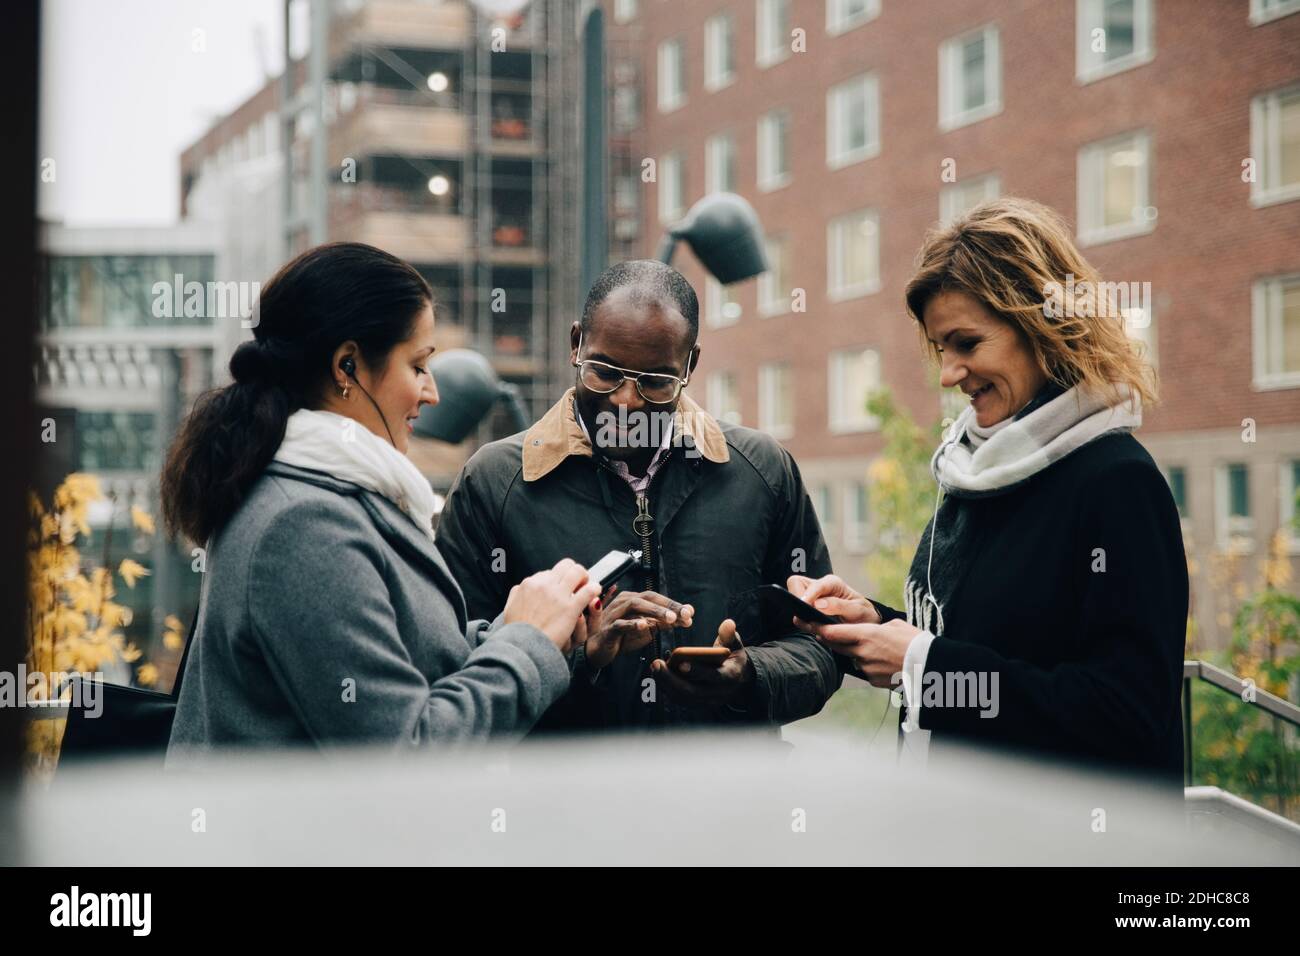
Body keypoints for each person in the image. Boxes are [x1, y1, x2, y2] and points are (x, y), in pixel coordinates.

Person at [789, 198, 1187, 779]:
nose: (948, 373)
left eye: (967, 344)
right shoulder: (980, 467)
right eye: (941, 349)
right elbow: (988, 639)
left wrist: (924, 668)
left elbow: (1127, 713)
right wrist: (874, 624)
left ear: (1042, 325)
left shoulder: (1117, 483)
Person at [163, 242, 601, 766]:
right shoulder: (303, 526)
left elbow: (400, 659)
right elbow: (403, 757)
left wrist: (527, 630)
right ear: (347, 366)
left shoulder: (326, 494)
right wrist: (528, 641)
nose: (432, 392)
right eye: (418, 366)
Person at [437, 260, 841, 733]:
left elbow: (823, 645)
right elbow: (450, 668)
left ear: (690, 366)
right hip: (564, 802)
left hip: (733, 800)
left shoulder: (763, 470)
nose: (625, 401)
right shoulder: (493, 482)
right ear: (575, 345)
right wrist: (582, 658)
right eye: (605, 372)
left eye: (654, 381)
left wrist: (750, 674)